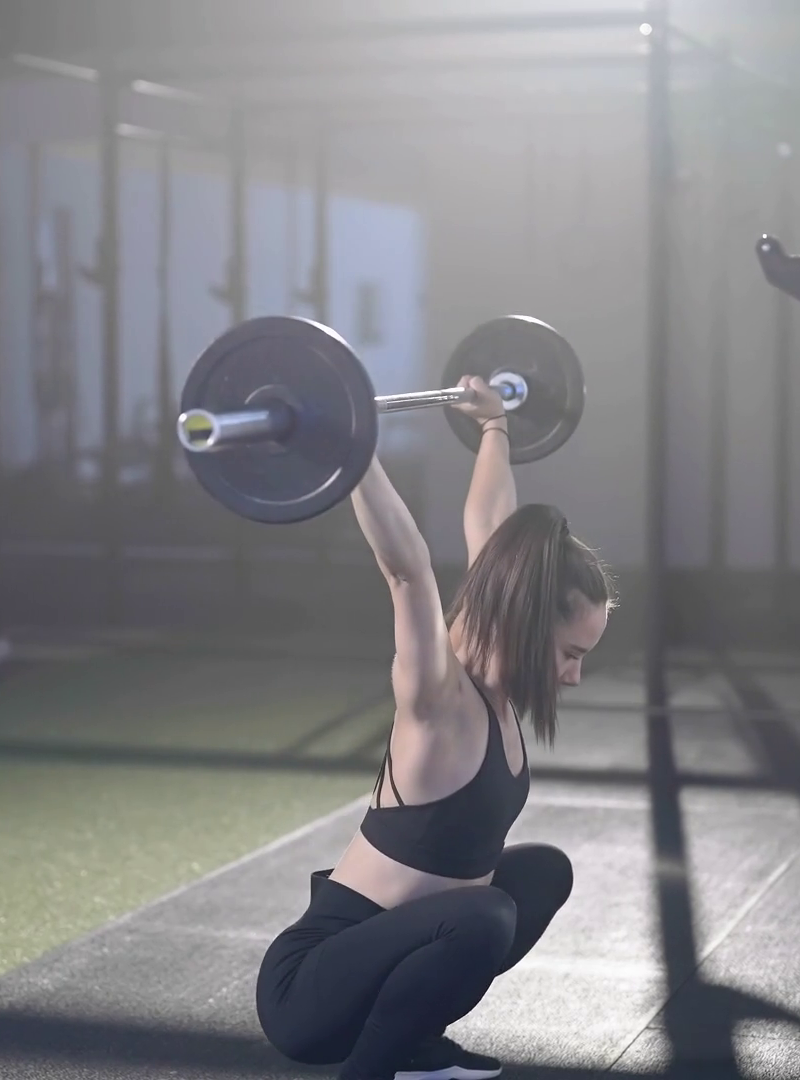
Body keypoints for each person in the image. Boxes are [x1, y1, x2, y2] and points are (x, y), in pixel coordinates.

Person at [254, 375, 616, 1080]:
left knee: (541, 874)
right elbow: (406, 570)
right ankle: (376, 1071)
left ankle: (414, 1039)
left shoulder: (500, 682)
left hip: (392, 956)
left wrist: (494, 426)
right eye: (570, 653)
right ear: (528, 621)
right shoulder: (441, 703)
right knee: (484, 917)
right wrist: (351, 450)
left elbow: (492, 525)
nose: (573, 676)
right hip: (312, 988)